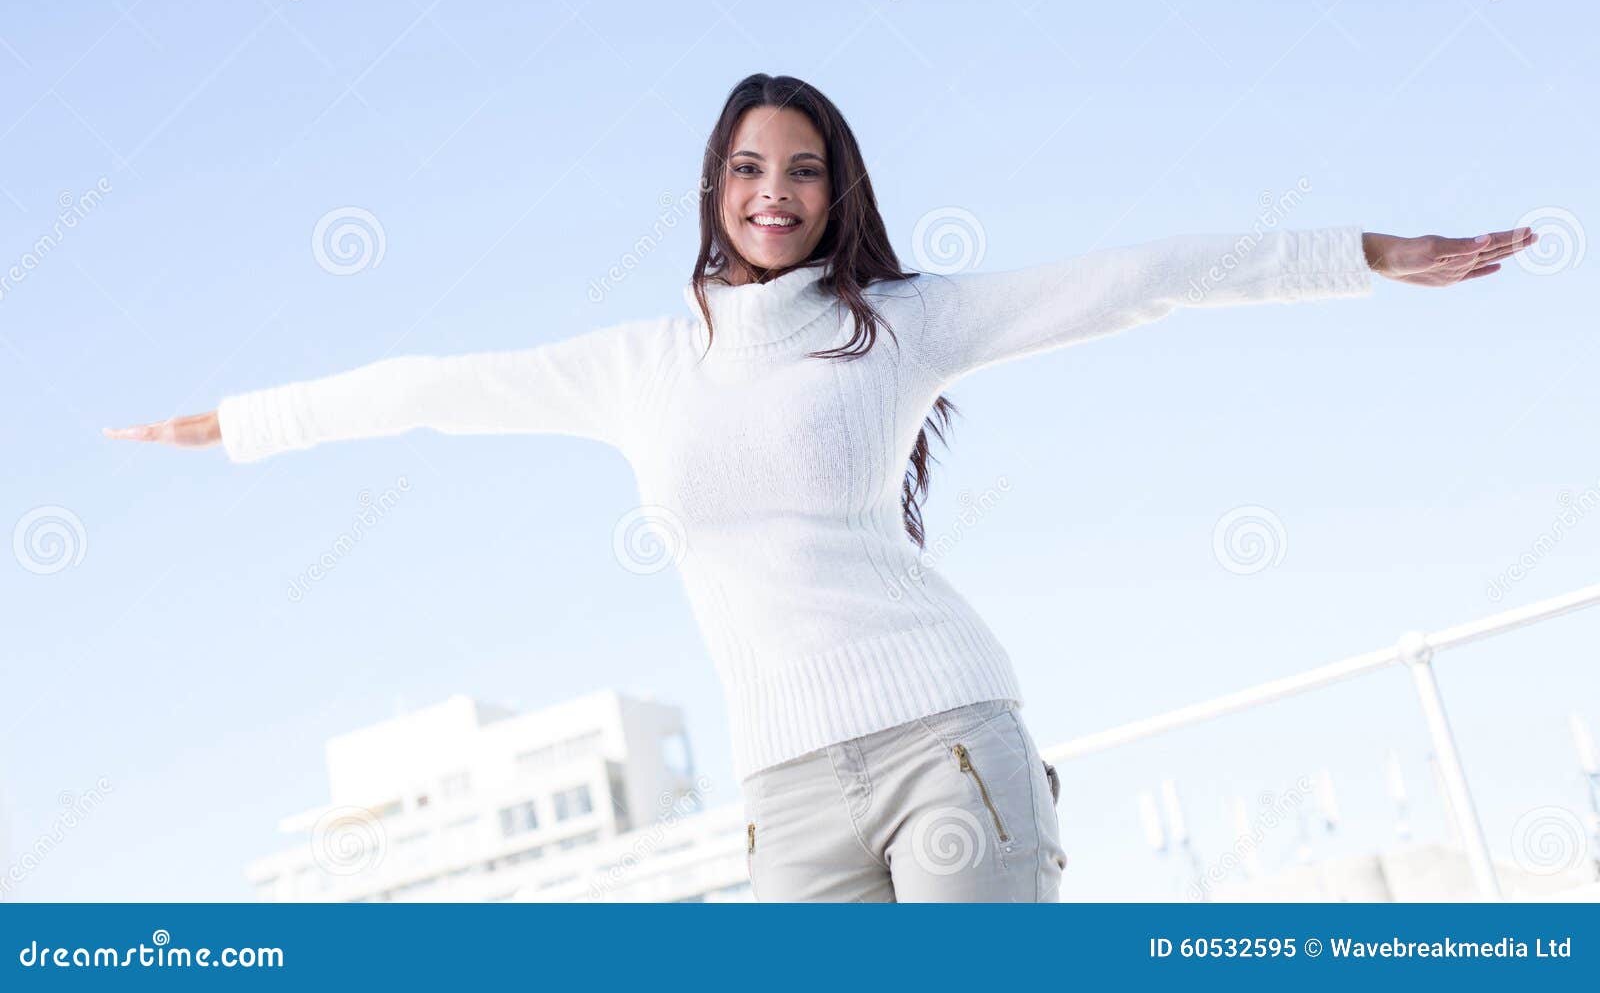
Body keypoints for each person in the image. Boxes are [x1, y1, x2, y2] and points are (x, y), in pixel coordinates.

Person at [105, 72, 1537, 902]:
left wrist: (1365, 252)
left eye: (802, 171)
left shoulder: (899, 321)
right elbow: (425, 387)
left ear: (837, 190)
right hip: (784, 794)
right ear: (714, 186)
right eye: (748, 168)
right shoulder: (635, 365)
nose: (773, 194)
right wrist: (241, 422)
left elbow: (1135, 282)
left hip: (947, 744)